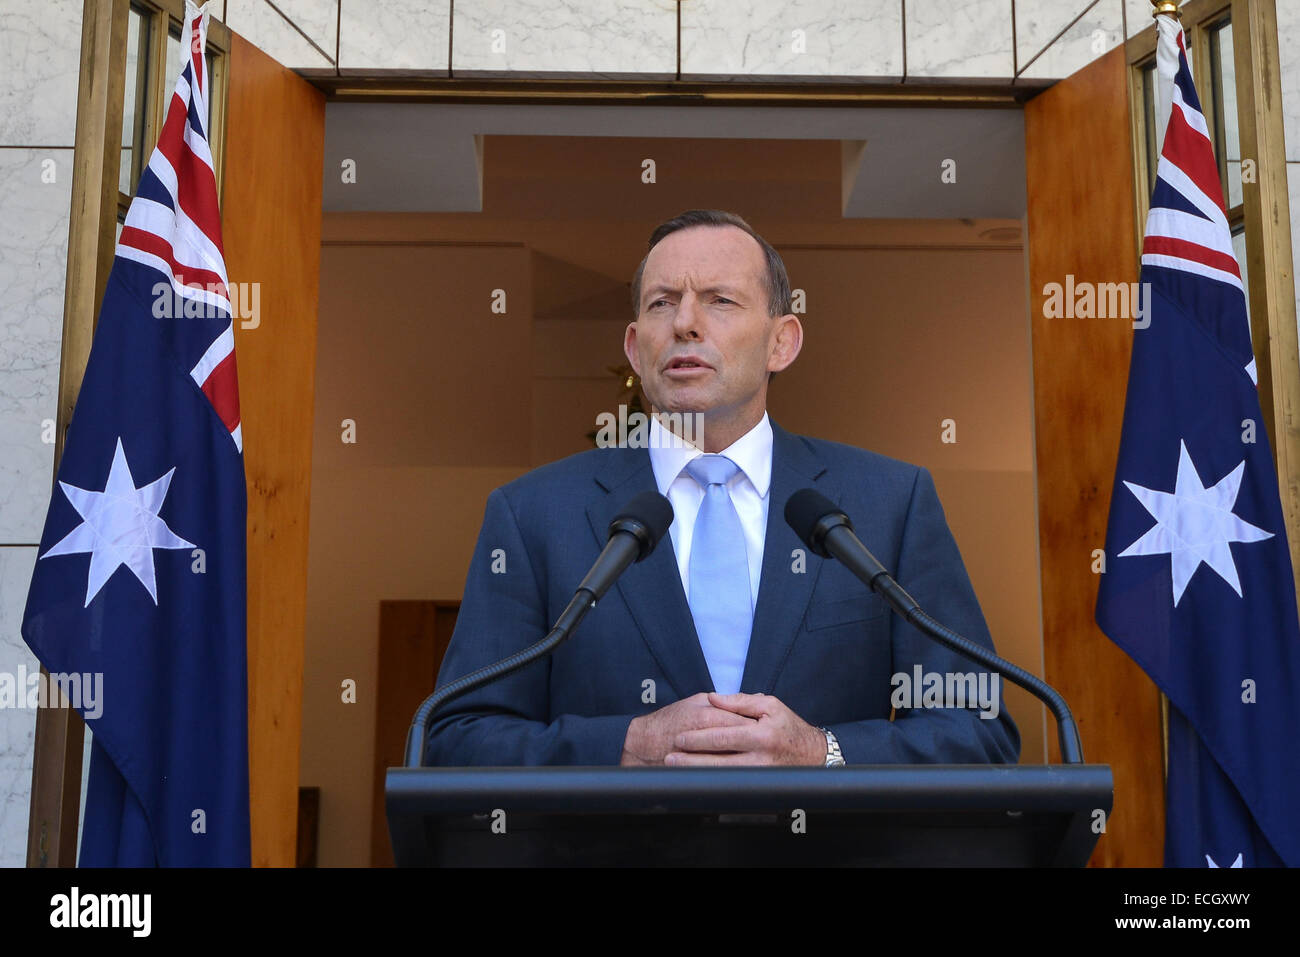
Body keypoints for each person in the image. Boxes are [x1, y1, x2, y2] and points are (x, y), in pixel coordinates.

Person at [425, 209, 1020, 767]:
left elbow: (978, 728)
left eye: (720, 300)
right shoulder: (533, 514)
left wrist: (823, 751)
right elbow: (458, 736)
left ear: (781, 342)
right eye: (662, 303)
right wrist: (627, 745)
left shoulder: (889, 502)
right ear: (636, 348)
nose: (685, 322)